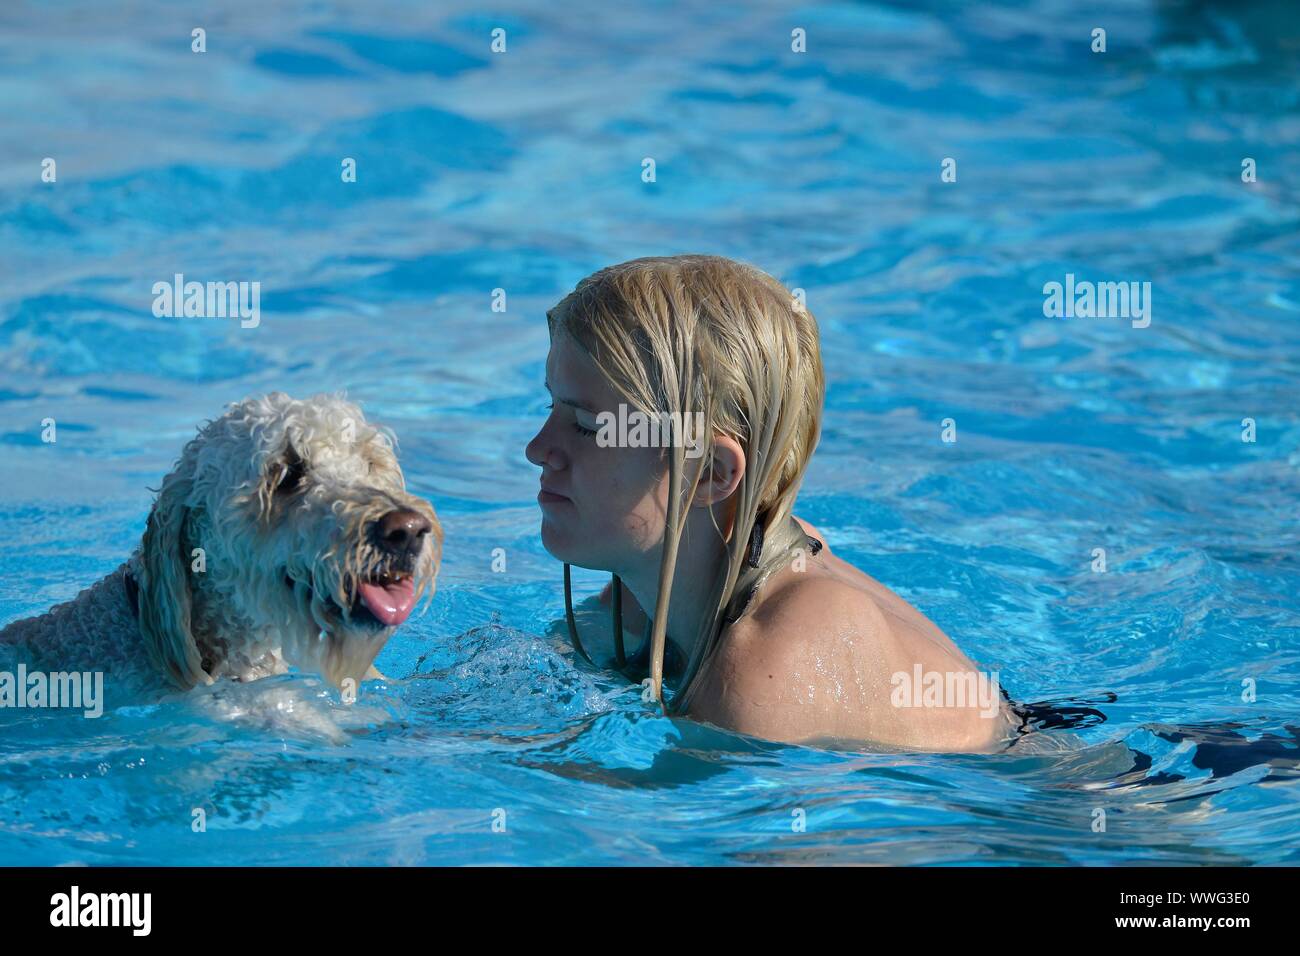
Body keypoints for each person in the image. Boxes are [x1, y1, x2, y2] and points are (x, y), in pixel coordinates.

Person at [525, 254, 1021, 752]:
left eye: (587, 426)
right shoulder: (660, 583)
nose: (537, 449)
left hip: (1029, 800)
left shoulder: (764, 672)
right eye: (552, 407)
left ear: (710, 474)